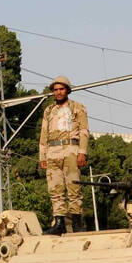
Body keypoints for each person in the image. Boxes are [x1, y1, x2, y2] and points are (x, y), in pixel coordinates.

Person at [38, 76, 89, 234]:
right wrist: (42, 156)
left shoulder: (78, 107)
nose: (58, 92)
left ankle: (76, 223)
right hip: (53, 151)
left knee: (74, 186)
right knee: (55, 188)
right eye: (55, 90)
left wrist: (82, 152)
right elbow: (44, 133)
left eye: (61, 89)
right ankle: (59, 222)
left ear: (67, 90)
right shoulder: (49, 110)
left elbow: (84, 131)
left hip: (70, 149)